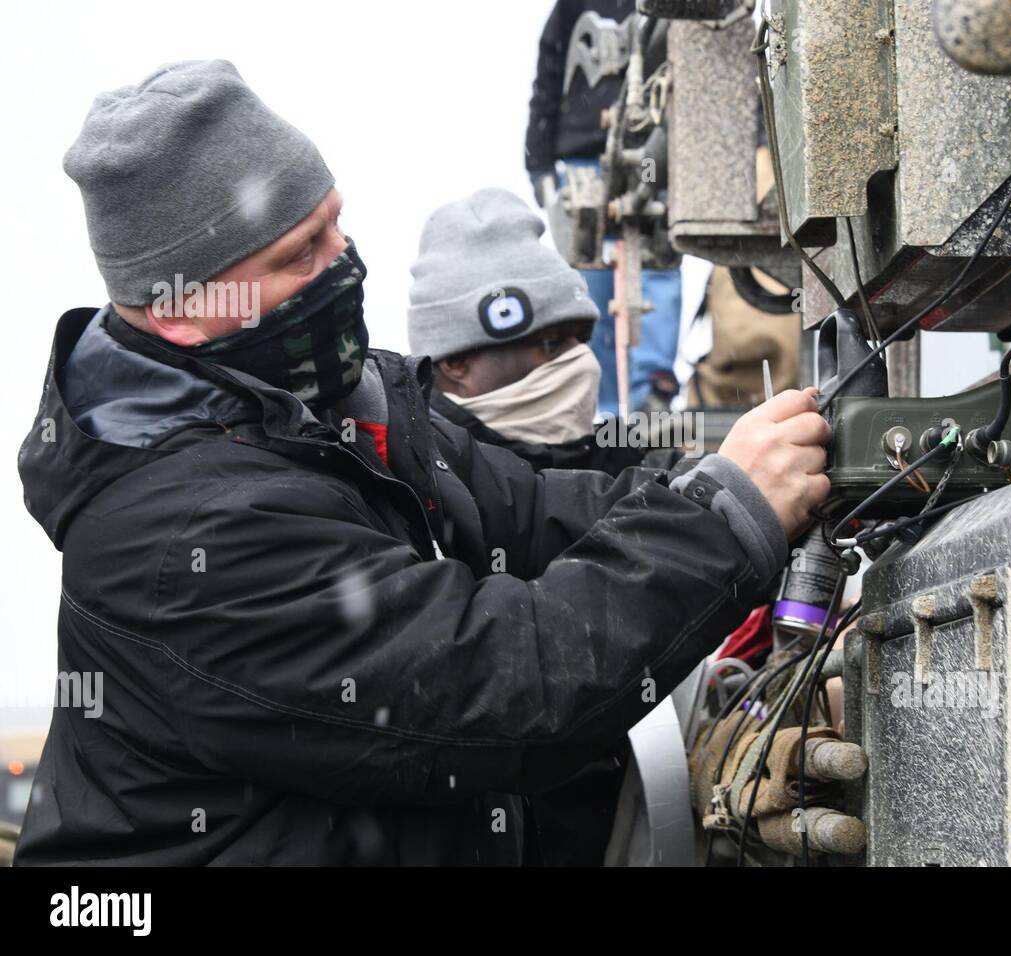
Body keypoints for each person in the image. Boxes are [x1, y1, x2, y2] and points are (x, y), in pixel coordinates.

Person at [15, 60, 831, 865]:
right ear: (187, 310)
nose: (345, 262)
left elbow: (535, 510)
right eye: (302, 253)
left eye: (337, 221)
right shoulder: (186, 542)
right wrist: (727, 518)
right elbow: (505, 690)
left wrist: (733, 472)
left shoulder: (339, 406)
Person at [408, 188, 677, 476]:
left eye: (583, 339)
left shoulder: (636, 467)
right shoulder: (414, 490)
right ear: (456, 363)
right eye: (550, 344)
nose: (583, 361)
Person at [526, 0, 682, 415]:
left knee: (655, 245)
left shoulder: (669, 7)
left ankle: (651, 389)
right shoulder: (573, 7)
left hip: (649, 158)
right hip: (585, 163)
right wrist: (539, 163)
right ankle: (604, 405)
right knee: (587, 271)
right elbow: (548, 83)